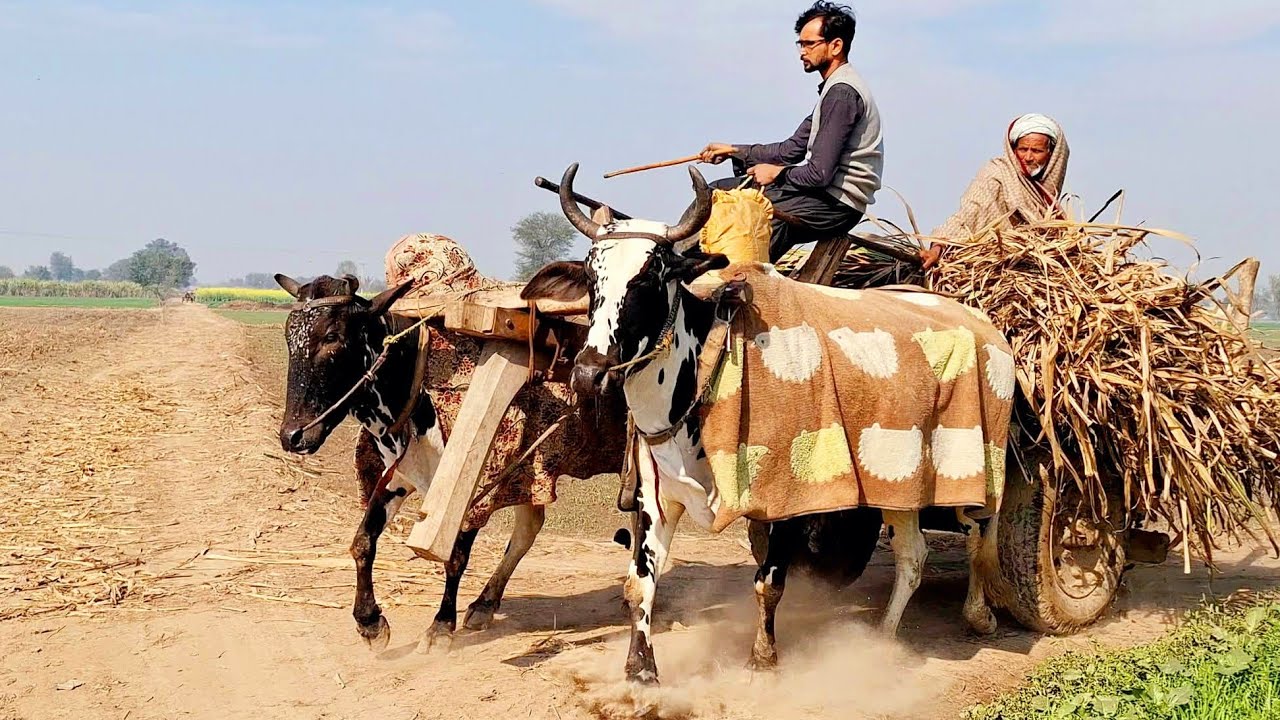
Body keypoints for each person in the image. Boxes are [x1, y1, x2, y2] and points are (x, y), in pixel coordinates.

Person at [699, 1, 883, 261]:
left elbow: (819, 174)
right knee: (716, 192)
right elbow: (791, 149)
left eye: (809, 44)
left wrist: (777, 173)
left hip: (834, 204)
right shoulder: (833, 91)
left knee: (733, 205)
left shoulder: (841, 94)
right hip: (822, 196)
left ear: (836, 46)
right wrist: (734, 151)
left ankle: (739, 277)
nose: (802, 52)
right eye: (800, 44)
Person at [921, 113, 1070, 268]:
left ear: (1052, 155)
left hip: (1035, 267)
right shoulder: (997, 174)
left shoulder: (1047, 194)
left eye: (1037, 151)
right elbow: (969, 212)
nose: (1028, 157)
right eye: (1023, 149)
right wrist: (938, 247)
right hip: (993, 265)